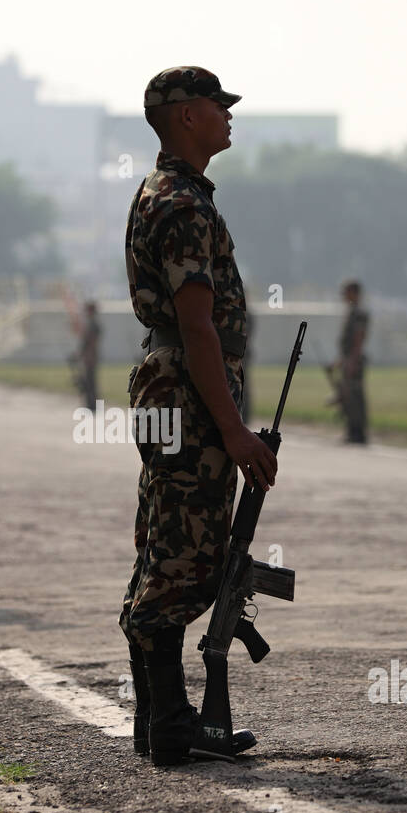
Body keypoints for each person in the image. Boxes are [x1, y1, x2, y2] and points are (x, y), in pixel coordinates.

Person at [119, 66, 277, 766]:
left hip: (171, 391)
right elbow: (198, 326)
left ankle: (160, 720)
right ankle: (172, 723)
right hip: (186, 396)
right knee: (186, 560)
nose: (228, 114)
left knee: (164, 546)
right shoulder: (181, 203)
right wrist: (234, 428)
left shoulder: (167, 193)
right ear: (186, 115)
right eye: (218, 104)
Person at [332, 280, 369, 443]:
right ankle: (351, 430)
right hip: (349, 359)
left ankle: (358, 432)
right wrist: (340, 361)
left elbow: (358, 339)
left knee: (355, 397)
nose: (344, 296)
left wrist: (352, 361)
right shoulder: (351, 312)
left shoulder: (359, 313)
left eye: (346, 292)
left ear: (354, 293)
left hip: (354, 361)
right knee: (348, 396)